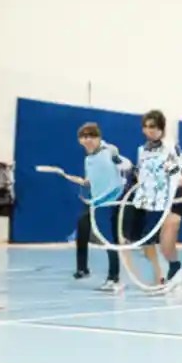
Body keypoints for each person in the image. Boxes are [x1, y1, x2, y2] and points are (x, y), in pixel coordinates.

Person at [126, 110, 182, 291]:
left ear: (162, 129)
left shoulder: (170, 148)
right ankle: (161, 275)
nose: (150, 131)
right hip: (154, 200)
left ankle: (174, 267)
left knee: (167, 239)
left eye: (154, 127)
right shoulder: (142, 151)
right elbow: (143, 175)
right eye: (147, 127)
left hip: (177, 197)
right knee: (147, 240)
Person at [66, 123, 131, 291]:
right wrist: (82, 181)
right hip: (97, 201)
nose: (87, 140)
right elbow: (91, 180)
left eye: (91, 136)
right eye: (84, 137)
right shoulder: (88, 159)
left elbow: (126, 165)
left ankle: (114, 278)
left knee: (110, 240)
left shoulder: (110, 150)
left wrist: (123, 167)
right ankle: (83, 269)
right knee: (82, 225)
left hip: (113, 200)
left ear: (98, 137)